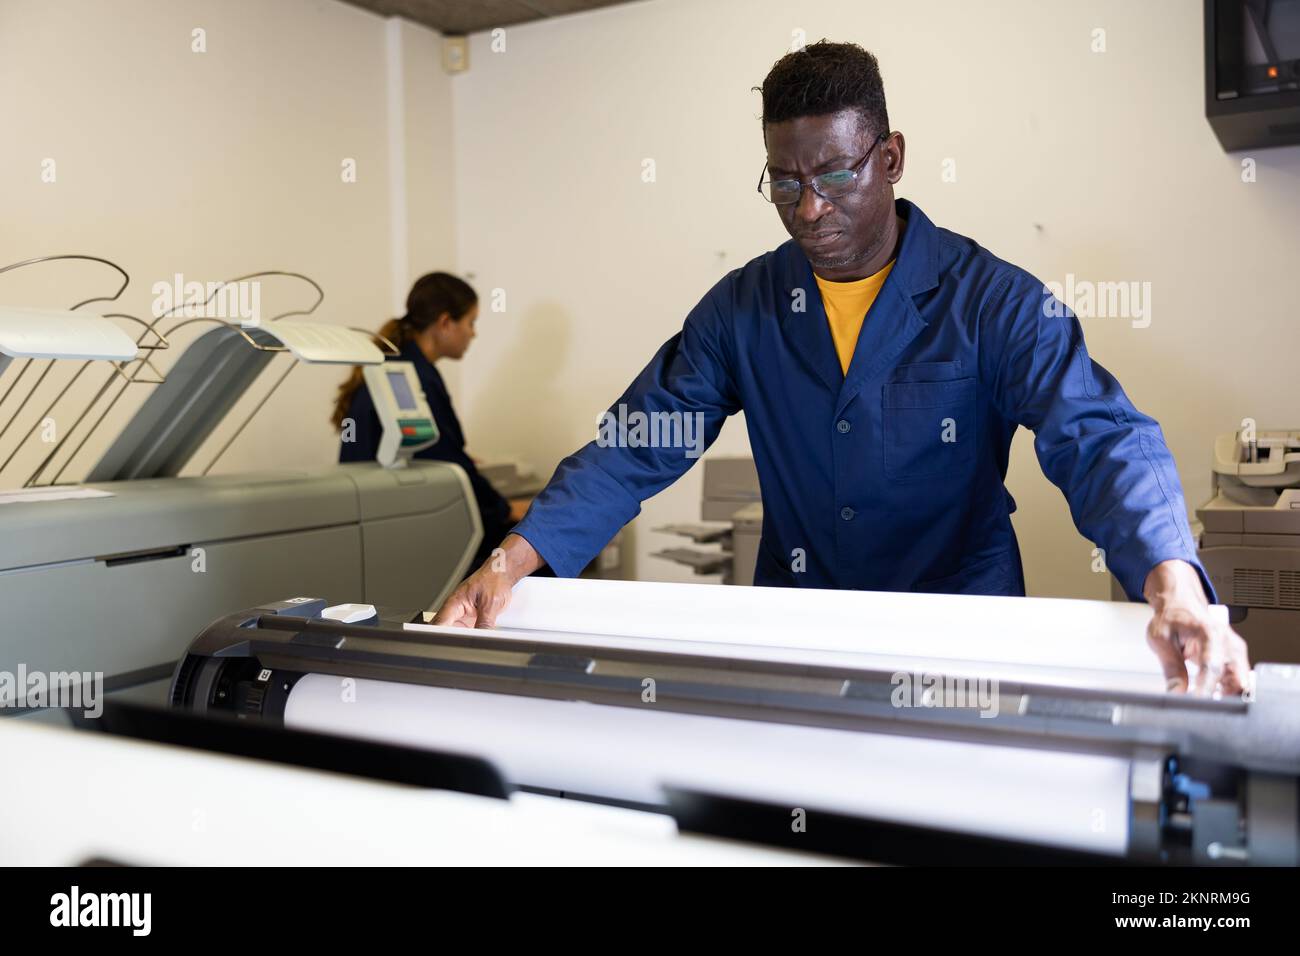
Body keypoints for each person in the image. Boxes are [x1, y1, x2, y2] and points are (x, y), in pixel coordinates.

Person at [435, 42, 1249, 696]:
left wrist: (1171, 575)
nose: (809, 208)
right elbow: (637, 443)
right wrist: (513, 558)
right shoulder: (742, 308)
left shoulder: (992, 301)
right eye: (785, 182)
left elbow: (1098, 434)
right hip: (801, 631)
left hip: (962, 632)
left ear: (890, 157)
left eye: (833, 175)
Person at [333, 272, 517, 571]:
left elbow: (434, 451)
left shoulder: (398, 364)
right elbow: (450, 464)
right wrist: (506, 510)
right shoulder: (414, 375)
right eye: (471, 322)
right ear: (445, 323)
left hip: (374, 518)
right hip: (397, 527)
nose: (473, 334)